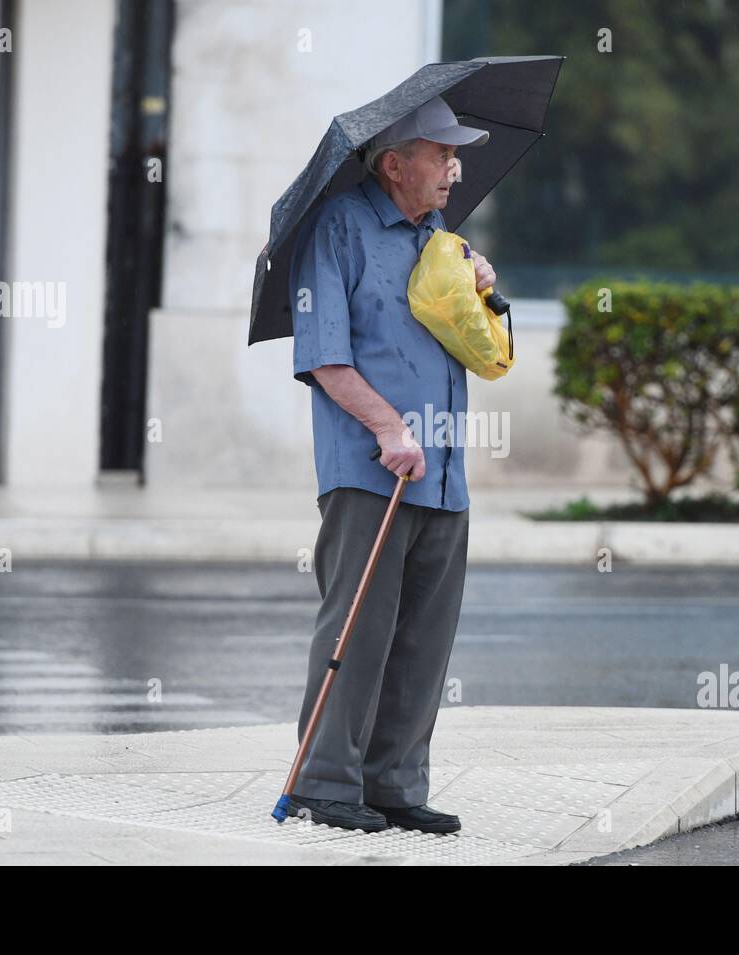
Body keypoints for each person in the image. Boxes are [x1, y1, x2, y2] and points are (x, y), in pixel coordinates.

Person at [287, 95, 494, 834]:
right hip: (371, 468)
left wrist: (484, 295)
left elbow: (485, 353)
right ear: (395, 163)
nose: (454, 166)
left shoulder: (443, 240)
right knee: (359, 629)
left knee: (424, 638)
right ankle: (324, 780)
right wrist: (386, 426)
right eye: (441, 154)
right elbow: (323, 356)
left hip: (442, 472)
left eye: (454, 154)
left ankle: (394, 783)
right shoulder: (338, 229)